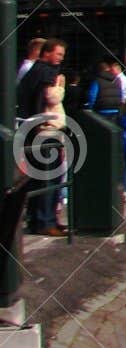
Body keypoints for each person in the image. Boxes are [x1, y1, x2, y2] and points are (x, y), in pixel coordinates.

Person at [21, 83, 69, 236]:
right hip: (46, 134)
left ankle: (46, 219)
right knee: (48, 179)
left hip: (51, 133)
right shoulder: (47, 76)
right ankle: (44, 221)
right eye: (59, 56)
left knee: (51, 179)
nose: (60, 58)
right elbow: (53, 97)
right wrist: (61, 85)